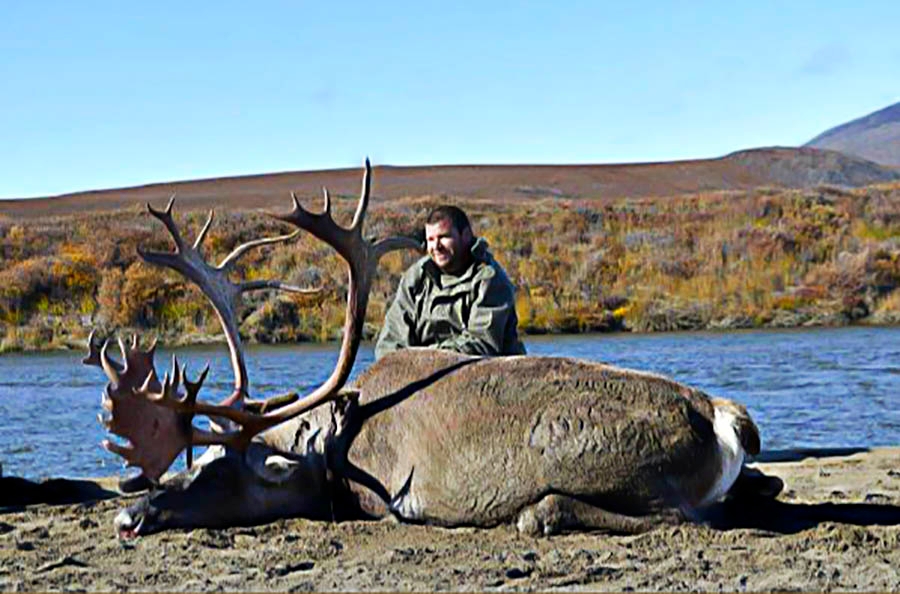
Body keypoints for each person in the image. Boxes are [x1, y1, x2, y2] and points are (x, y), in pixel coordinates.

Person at [375, 205, 526, 360]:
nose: (436, 247)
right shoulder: (415, 278)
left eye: (444, 237)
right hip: (421, 371)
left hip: (486, 376)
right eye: (430, 240)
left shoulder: (490, 279)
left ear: (466, 235)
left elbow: (482, 344)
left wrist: (424, 358)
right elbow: (390, 343)